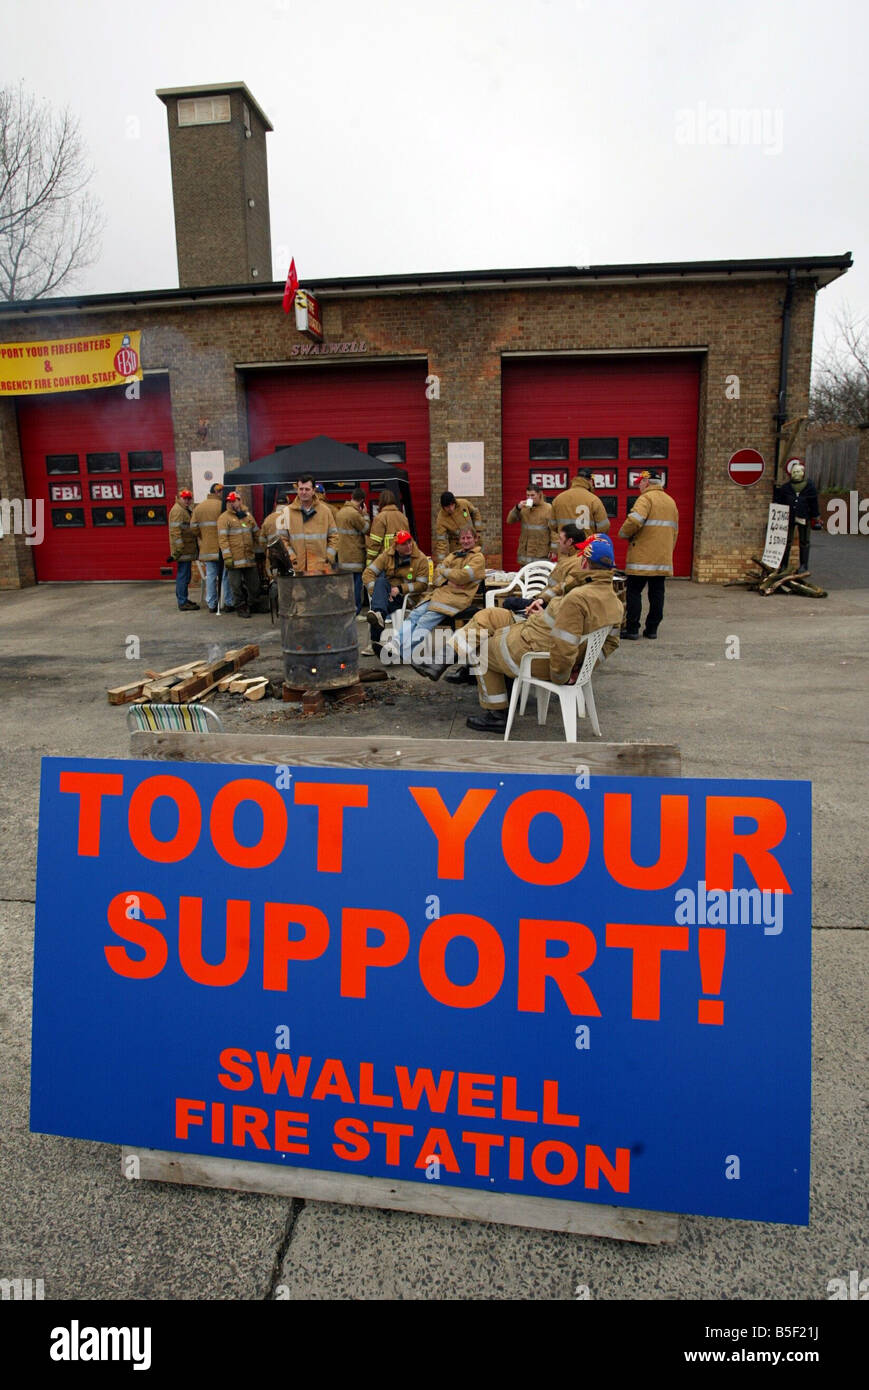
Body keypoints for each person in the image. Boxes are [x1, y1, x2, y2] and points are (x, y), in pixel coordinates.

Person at [420, 535, 623, 733]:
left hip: (535, 651)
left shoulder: (577, 598)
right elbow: (610, 644)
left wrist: (563, 676)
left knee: (482, 647)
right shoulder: (614, 603)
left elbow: (564, 646)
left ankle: (496, 715)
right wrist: (586, 665)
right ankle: (441, 660)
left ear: (585, 563)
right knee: (489, 616)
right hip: (536, 633)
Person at [394, 523, 484, 663]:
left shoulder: (478, 558)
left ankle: (403, 653)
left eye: (468, 538)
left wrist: (446, 573)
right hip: (438, 595)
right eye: (463, 538)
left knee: (424, 621)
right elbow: (436, 574)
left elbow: (463, 576)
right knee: (414, 614)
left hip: (456, 600)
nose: (465, 541)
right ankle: (394, 645)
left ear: (475, 539)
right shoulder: (454, 555)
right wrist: (448, 579)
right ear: (459, 540)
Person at [618, 469, 679, 640]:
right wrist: (667, 552)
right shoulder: (670, 502)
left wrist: (623, 533)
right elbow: (674, 532)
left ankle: (632, 629)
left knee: (634, 592)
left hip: (642, 558)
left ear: (647, 482)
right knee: (657, 593)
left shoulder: (645, 499)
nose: (639, 486)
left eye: (640, 482)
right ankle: (652, 629)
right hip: (662, 559)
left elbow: (634, 520)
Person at [363, 530, 430, 637]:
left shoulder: (420, 558)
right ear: (396, 546)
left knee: (377, 608)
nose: (408, 546)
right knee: (380, 582)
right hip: (388, 595)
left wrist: (400, 589)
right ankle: (378, 614)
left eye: (409, 542)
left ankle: (375, 640)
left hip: (408, 597)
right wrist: (375, 592)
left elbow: (422, 585)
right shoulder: (387, 555)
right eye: (404, 544)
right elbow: (368, 573)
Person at [190, 482, 233, 612]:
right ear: (218, 492)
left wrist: (203, 537)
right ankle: (227, 602)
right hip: (222, 548)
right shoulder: (223, 506)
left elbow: (193, 528)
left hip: (207, 548)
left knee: (210, 576)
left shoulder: (199, 508)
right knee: (225, 575)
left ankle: (212, 604)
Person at [217, 491, 260, 619]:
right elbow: (223, 539)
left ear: (240, 501)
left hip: (248, 557)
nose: (232, 503)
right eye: (230, 501)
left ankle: (254, 604)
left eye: (235, 500)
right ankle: (240, 606)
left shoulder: (247, 516)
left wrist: (263, 547)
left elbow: (256, 533)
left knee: (254, 583)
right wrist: (227, 557)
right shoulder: (224, 518)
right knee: (236, 585)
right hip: (234, 559)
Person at [285, 475, 338, 573]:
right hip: (297, 570)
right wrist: (292, 558)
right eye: (301, 489)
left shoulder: (325, 511)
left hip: (320, 568)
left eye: (307, 489)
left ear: (313, 490)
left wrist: (329, 557)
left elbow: (334, 536)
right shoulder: (287, 512)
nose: (303, 492)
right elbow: (282, 540)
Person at [774, 460, 819, 573]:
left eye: (798, 472)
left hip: (804, 516)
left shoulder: (810, 487)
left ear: (803, 473)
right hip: (788, 517)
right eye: (794, 472)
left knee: (804, 541)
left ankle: (803, 565)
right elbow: (779, 502)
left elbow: (814, 503)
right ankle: (784, 565)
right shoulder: (786, 487)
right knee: (787, 541)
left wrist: (815, 517)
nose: (796, 474)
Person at [550, 473, 610, 548]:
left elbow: (552, 525)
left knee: (565, 560)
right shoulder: (594, 500)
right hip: (586, 549)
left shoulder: (558, 499)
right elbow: (604, 527)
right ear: (590, 481)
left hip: (565, 548)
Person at [335, 489, 370, 611]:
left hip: (343, 556)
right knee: (356, 585)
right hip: (355, 556)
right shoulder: (354, 514)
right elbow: (366, 529)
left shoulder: (340, 513)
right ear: (361, 501)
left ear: (351, 496)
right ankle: (356, 611)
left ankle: (346, 609)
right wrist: (365, 515)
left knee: (345, 587)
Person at [168, 488, 199, 610]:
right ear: (179, 498)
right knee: (183, 575)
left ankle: (184, 599)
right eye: (184, 498)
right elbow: (175, 532)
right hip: (183, 550)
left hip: (186, 549)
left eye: (188, 499)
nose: (187, 501)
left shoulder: (183, 510)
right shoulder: (178, 511)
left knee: (185, 575)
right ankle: (182, 601)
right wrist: (179, 548)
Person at [506, 484, 552, 565]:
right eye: (528, 495)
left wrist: (554, 550)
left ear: (539, 494)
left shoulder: (548, 508)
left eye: (532, 495)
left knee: (540, 577)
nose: (530, 498)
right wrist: (517, 508)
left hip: (541, 552)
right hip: (525, 552)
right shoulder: (524, 508)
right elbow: (510, 521)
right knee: (524, 577)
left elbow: (554, 530)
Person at [366, 490, 411, 564]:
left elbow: (375, 542)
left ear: (381, 501)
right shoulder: (403, 517)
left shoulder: (380, 517)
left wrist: (370, 560)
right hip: (402, 559)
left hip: (386, 560)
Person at [435, 491, 482, 560]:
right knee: (460, 566)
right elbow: (441, 542)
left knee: (477, 561)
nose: (451, 508)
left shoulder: (463, 503)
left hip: (473, 540)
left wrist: (478, 530)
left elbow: (475, 512)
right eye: (448, 507)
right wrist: (441, 562)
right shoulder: (441, 519)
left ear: (454, 502)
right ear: (443, 507)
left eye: (452, 505)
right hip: (457, 546)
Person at [259, 490, 294, 576]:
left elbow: (262, 541)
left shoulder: (268, 519)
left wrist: (267, 551)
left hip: (273, 559)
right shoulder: (293, 517)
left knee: (276, 584)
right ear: (288, 503)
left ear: (275, 504)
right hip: (291, 558)